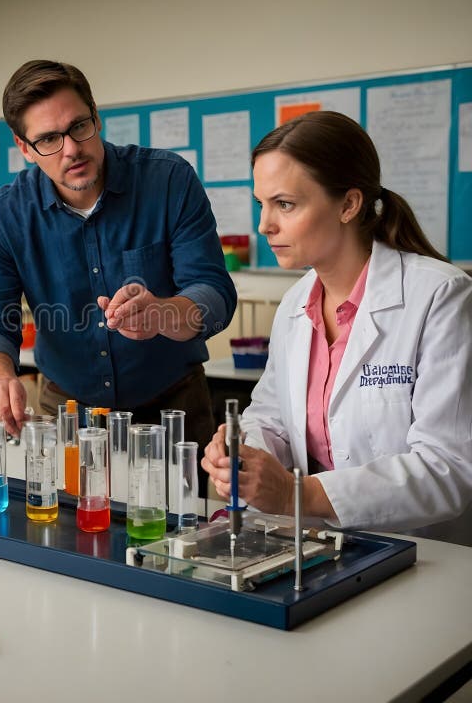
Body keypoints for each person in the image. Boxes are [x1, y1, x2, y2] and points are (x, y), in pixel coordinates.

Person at [202, 110, 472, 538]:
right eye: (261, 204)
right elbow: (271, 418)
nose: (264, 225)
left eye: (285, 204)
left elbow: (449, 469)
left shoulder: (441, 296)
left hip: (423, 552)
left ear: (348, 204)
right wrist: (243, 453)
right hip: (321, 544)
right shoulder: (296, 304)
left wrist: (299, 494)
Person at [0, 59, 237, 465]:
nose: (71, 149)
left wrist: (165, 313)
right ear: (24, 147)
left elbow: (213, 291)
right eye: (48, 139)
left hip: (172, 409)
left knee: (183, 509)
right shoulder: (7, 215)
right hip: (69, 414)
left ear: (96, 116)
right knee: (66, 509)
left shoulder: (167, 180)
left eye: (79, 126)